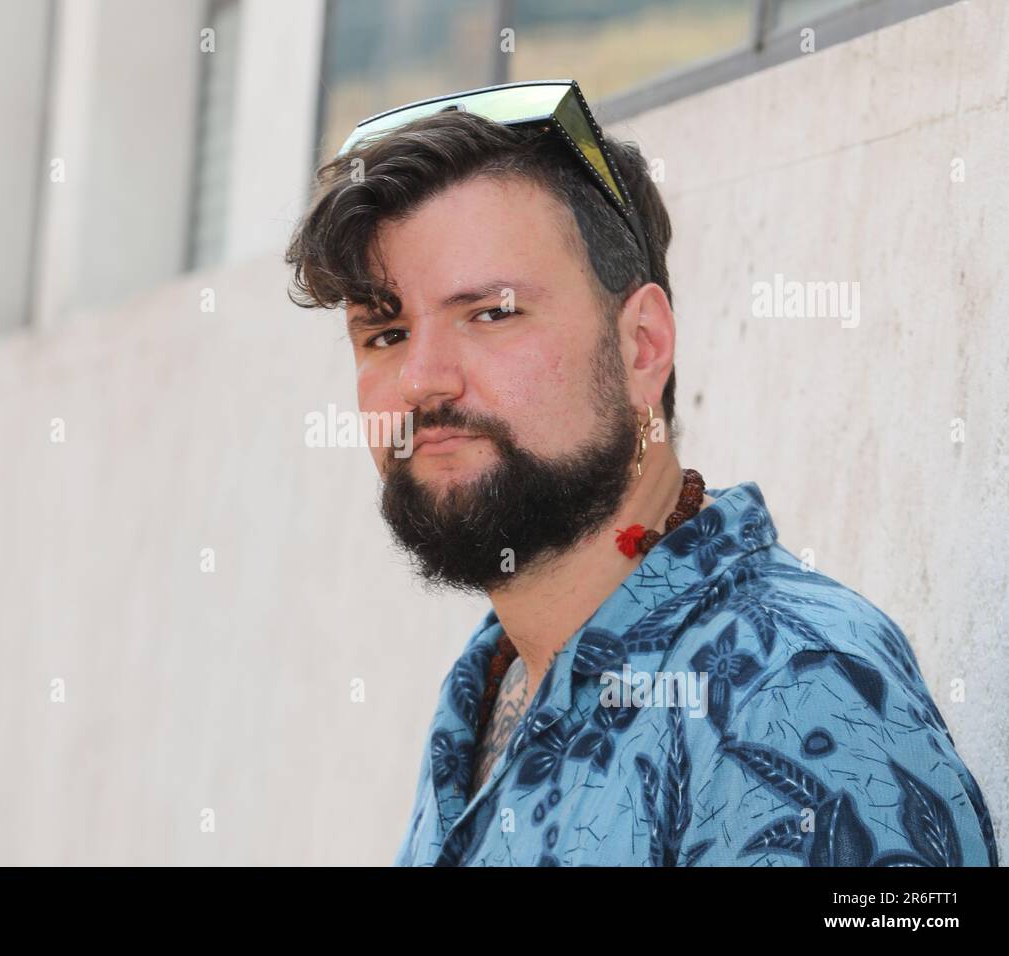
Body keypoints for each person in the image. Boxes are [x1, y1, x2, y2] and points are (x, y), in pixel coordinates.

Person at [283, 81, 998, 867]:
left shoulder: (789, 690)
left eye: (491, 313)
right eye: (384, 334)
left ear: (643, 345)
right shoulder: (485, 689)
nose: (421, 380)